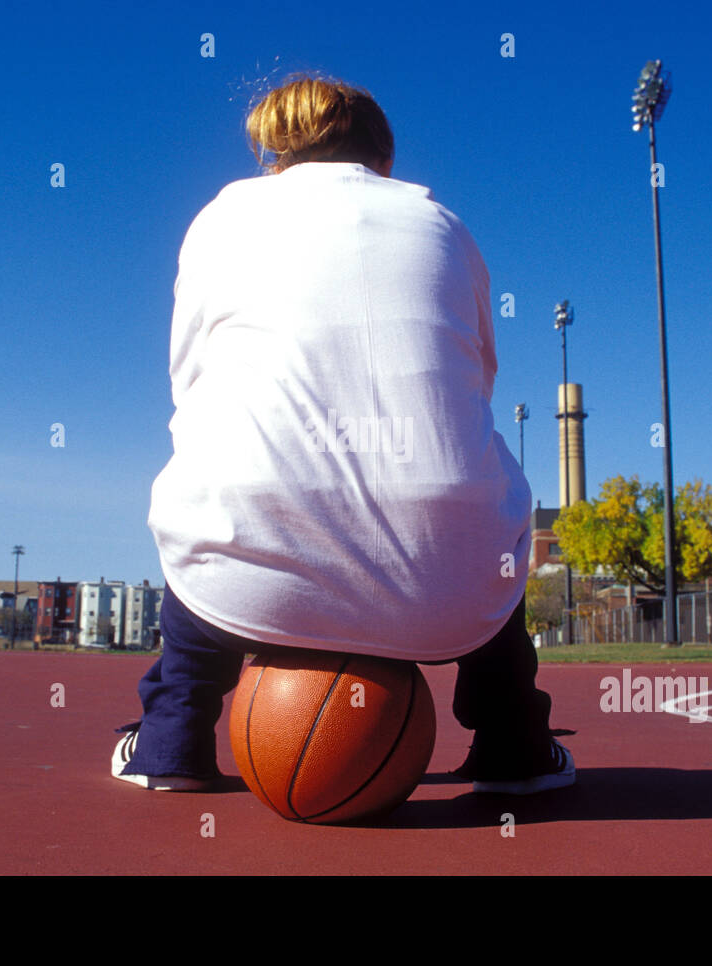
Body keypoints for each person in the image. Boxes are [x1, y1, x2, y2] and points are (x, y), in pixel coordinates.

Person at [112, 74, 574, 796]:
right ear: (381, 159)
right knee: (476, 496)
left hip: (250, 558)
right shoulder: (441, 223)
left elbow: (190, 383)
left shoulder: (224, 214)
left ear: (275, 154)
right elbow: (476, 381)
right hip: (447, 568)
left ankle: (172, 740)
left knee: (218, 475)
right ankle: (513, 739)